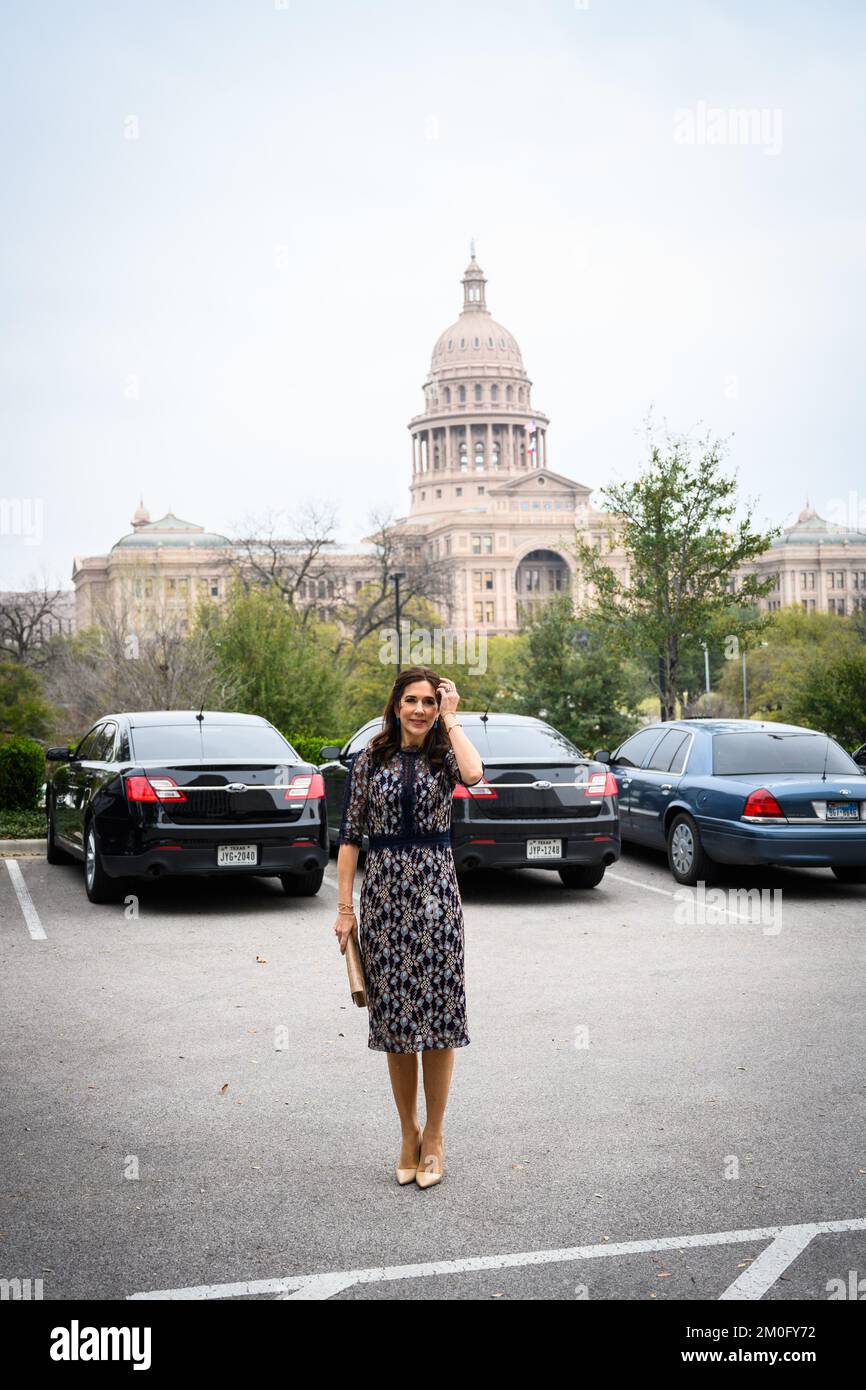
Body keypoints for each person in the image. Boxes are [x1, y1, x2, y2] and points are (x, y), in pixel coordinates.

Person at [333, 666, 484, 1189]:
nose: (420, 710)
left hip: (437, 898)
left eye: (428, 701)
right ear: (396, 705)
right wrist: (345, 908)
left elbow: (475, 775)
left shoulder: (445, 756)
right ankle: (407, 1132)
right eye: (411, 700)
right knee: (397, 1024)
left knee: (439, 1017)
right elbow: (350, 838)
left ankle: (436, 1135)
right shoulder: (369, 761)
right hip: (384, 903)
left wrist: (454, 718)